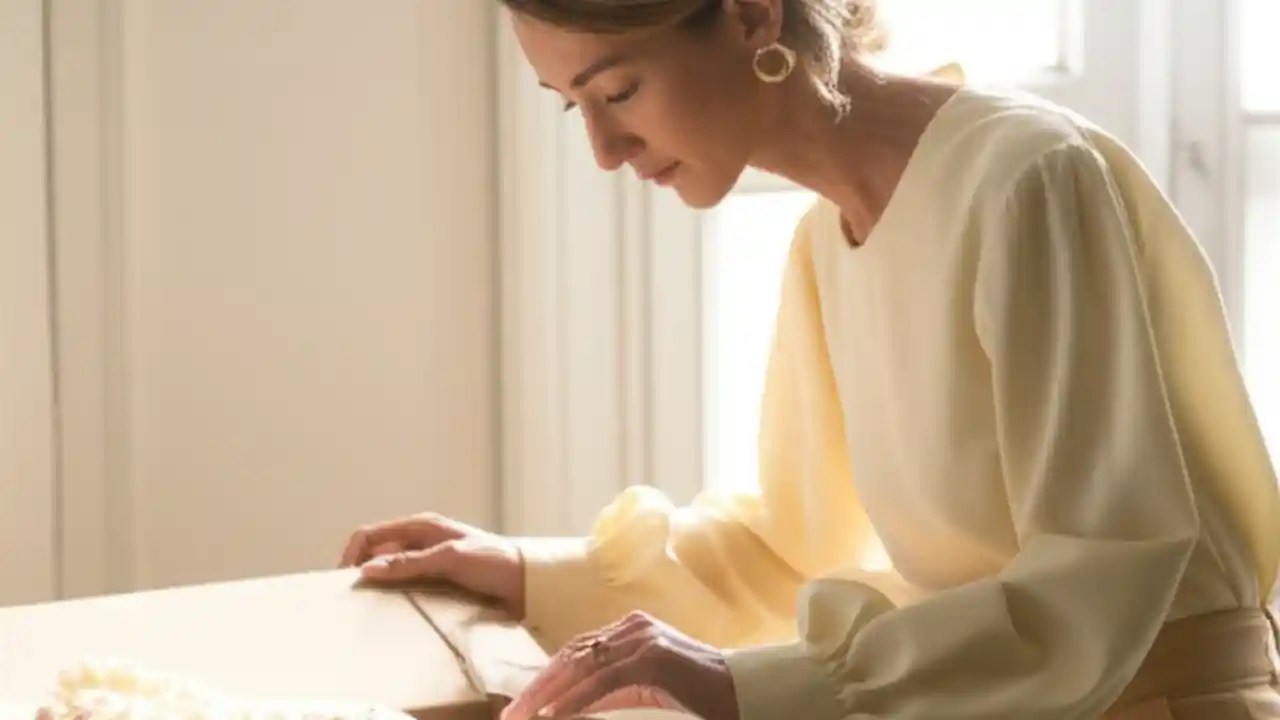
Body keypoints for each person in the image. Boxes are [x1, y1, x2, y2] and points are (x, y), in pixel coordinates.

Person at [340, 1, 1280, 718]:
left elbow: (1099, 569)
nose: (603, 150)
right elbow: (796, 543)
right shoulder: (828, 243)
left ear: (752, 13)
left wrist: (750, 685)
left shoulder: (1025, 178)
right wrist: (530, 571)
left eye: (619, 90)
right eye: (571, 107)